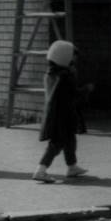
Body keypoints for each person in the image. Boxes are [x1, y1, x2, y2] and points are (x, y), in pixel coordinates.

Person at [35, 39, 88, 182]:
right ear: (64, 57)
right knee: (57, 143)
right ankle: (40, 170)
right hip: (62, 116)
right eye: (73, 56)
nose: (74, 59)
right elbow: (73, 94)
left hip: (58, 114)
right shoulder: (64, 76)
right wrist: (86, 90)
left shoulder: (51, 74)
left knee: (70, 140)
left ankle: (72, 166)